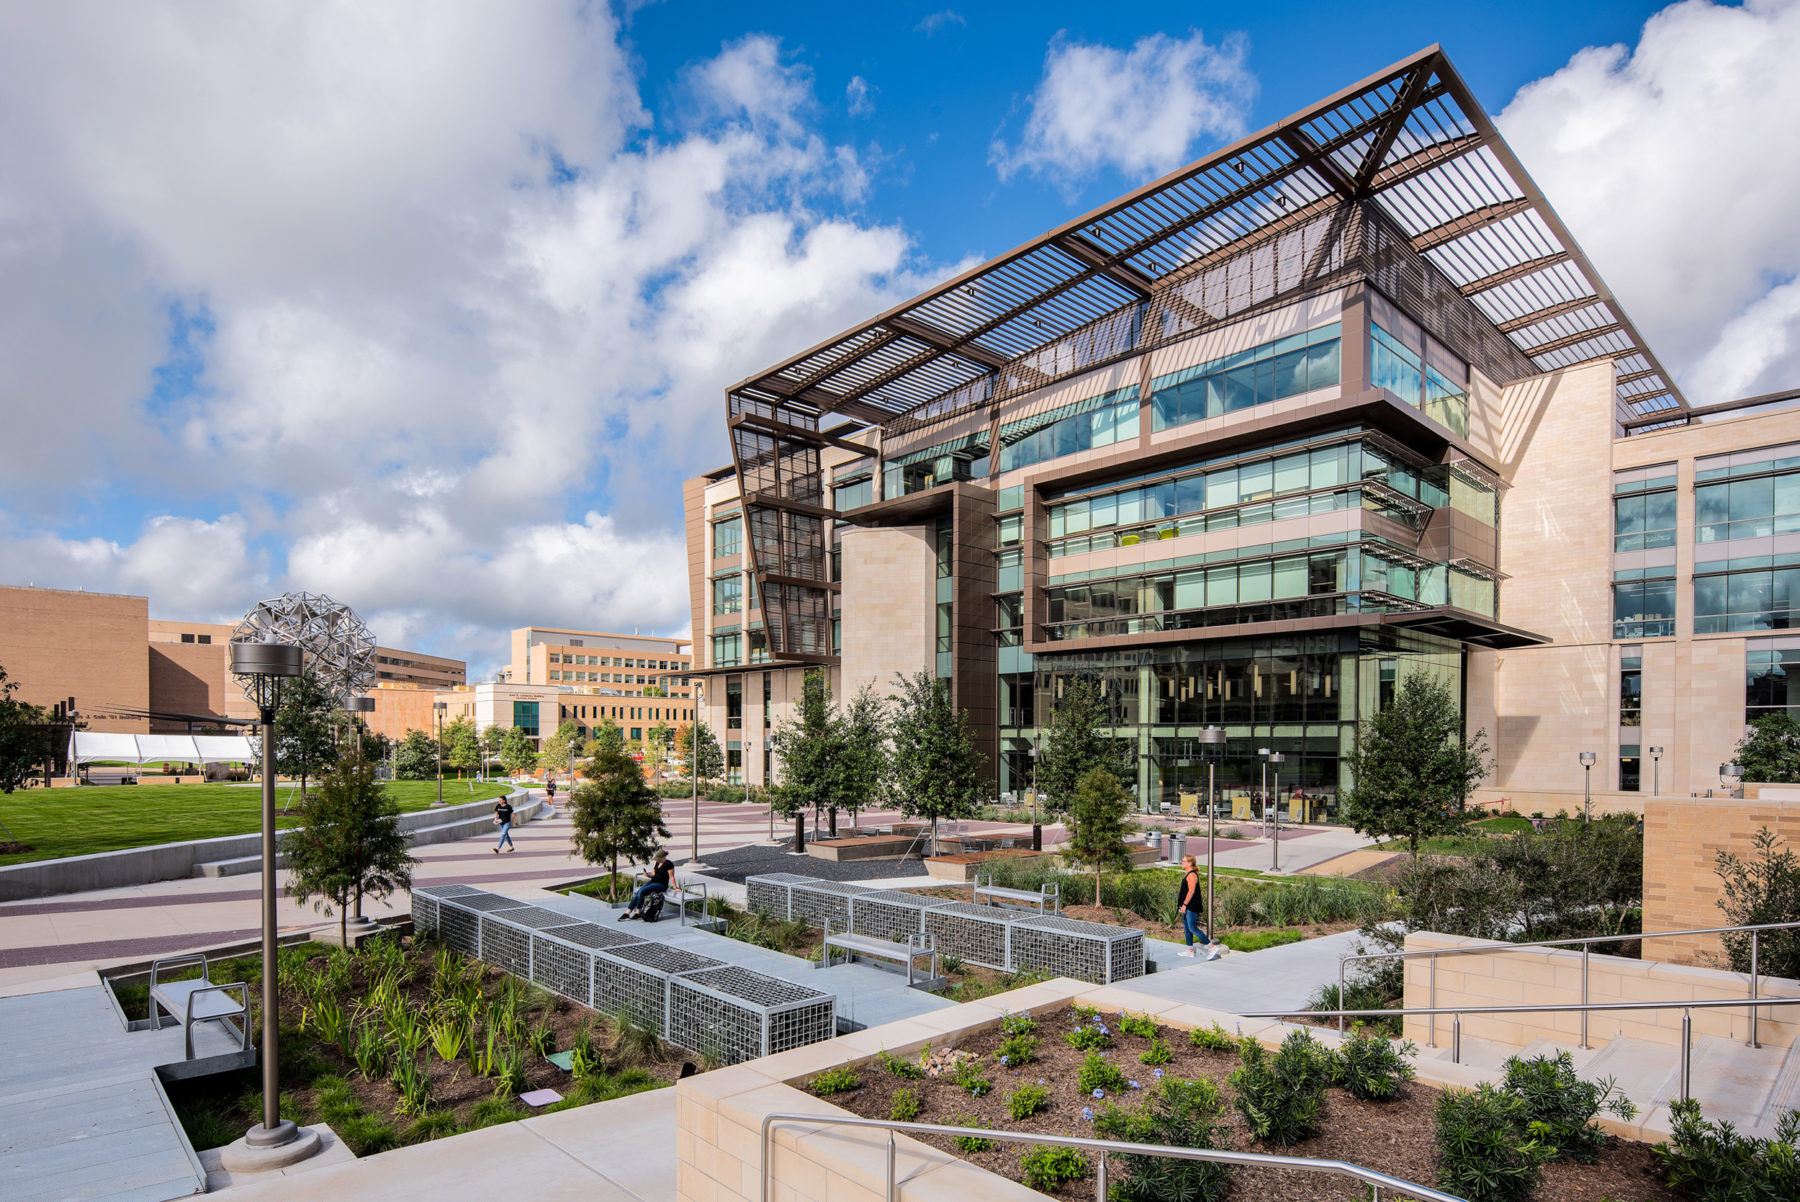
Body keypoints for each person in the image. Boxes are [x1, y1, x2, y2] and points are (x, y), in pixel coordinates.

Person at [1176, 854, 1222, 960]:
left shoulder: (1192, 875)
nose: (1182, 863)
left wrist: (1185, 905)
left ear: (1190, 863)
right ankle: (1190, 950)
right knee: (1187, 928)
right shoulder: (1188, 873)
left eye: (1184, 861)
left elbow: (1191, 891)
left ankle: (1211, 947)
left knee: (1193, 928)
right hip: (1187, 907)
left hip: (1191, 906)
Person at [620, 849, 673, 920]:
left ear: (663, 857)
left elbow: (672, 876)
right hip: (653, 882)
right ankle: (627, 913)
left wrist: (675, 887)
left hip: (661, 884)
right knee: (638, 892)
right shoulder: (657, 863)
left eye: (658, 859)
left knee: (642, 892)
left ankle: (638, 912)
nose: (657, 860)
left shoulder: (669, 864)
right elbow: (653, 874)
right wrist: (647, 875)